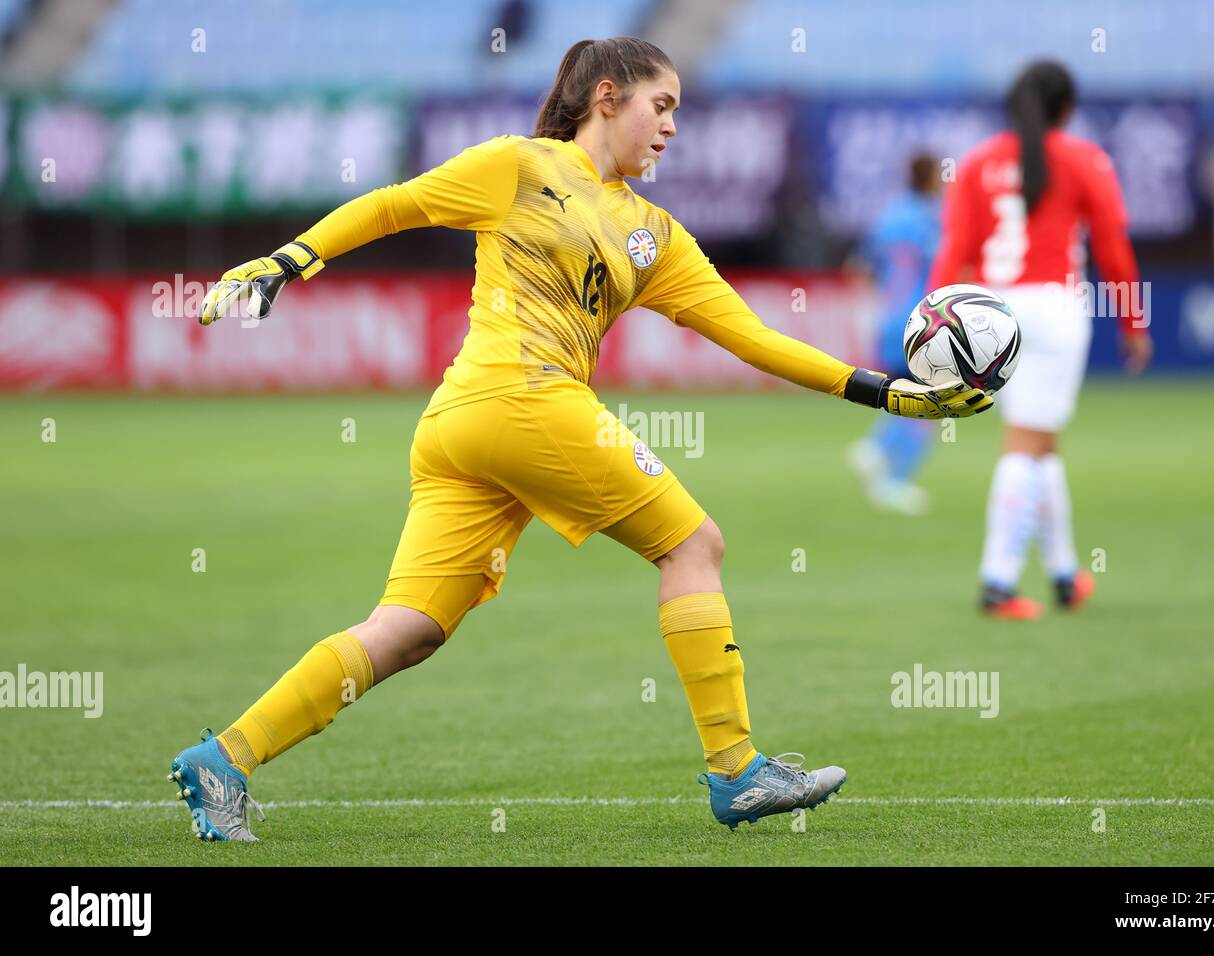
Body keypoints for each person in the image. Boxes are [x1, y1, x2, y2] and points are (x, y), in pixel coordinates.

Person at [169, 37, 992, 841]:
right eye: (660, 106)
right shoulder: (521, 165)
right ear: (608, 98)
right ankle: (737, 771)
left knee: (411, 626)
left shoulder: (654, 234)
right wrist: (288, 258)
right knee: (693, 546)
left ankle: (224, 758)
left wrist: (884, 392)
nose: (671, 126)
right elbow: (396, 204)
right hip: (522, 401)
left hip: (462, 425)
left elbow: (752, 337)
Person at [927, 61, 1153, 620]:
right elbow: (1113, 249)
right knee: (1027, 445)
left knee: (1040, 443)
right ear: (1067, 109)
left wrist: (934, 327)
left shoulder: (977, 163)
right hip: (1052, 313)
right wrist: (1134, 323)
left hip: (989, 315)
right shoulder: (1083, 159)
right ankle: (997, 583)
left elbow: (952, 251)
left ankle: (1063, 575)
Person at [846, 154, 943, 515]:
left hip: (890, 319)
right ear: (932, 178)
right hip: (925, 322)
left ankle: (880, 457)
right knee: (934, 403)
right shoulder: (932, 220)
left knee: (913, 395)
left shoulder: (890, 216)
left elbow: (860, 268)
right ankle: (886, 463)